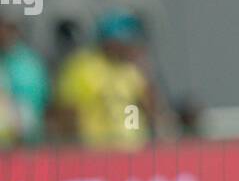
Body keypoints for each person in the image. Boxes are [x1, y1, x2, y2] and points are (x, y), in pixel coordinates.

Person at [53, 10, 154, 149]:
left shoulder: (131, 69)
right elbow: (67, 113)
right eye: (124, 43)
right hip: (96, 153)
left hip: (132, 151)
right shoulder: (82, 67)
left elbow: (144, 107)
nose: (129, 48)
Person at [0, 13, 51, 143]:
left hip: (27, 147)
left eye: (10, 27)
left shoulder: (31, 63)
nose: (4, 32)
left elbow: (45, 105)